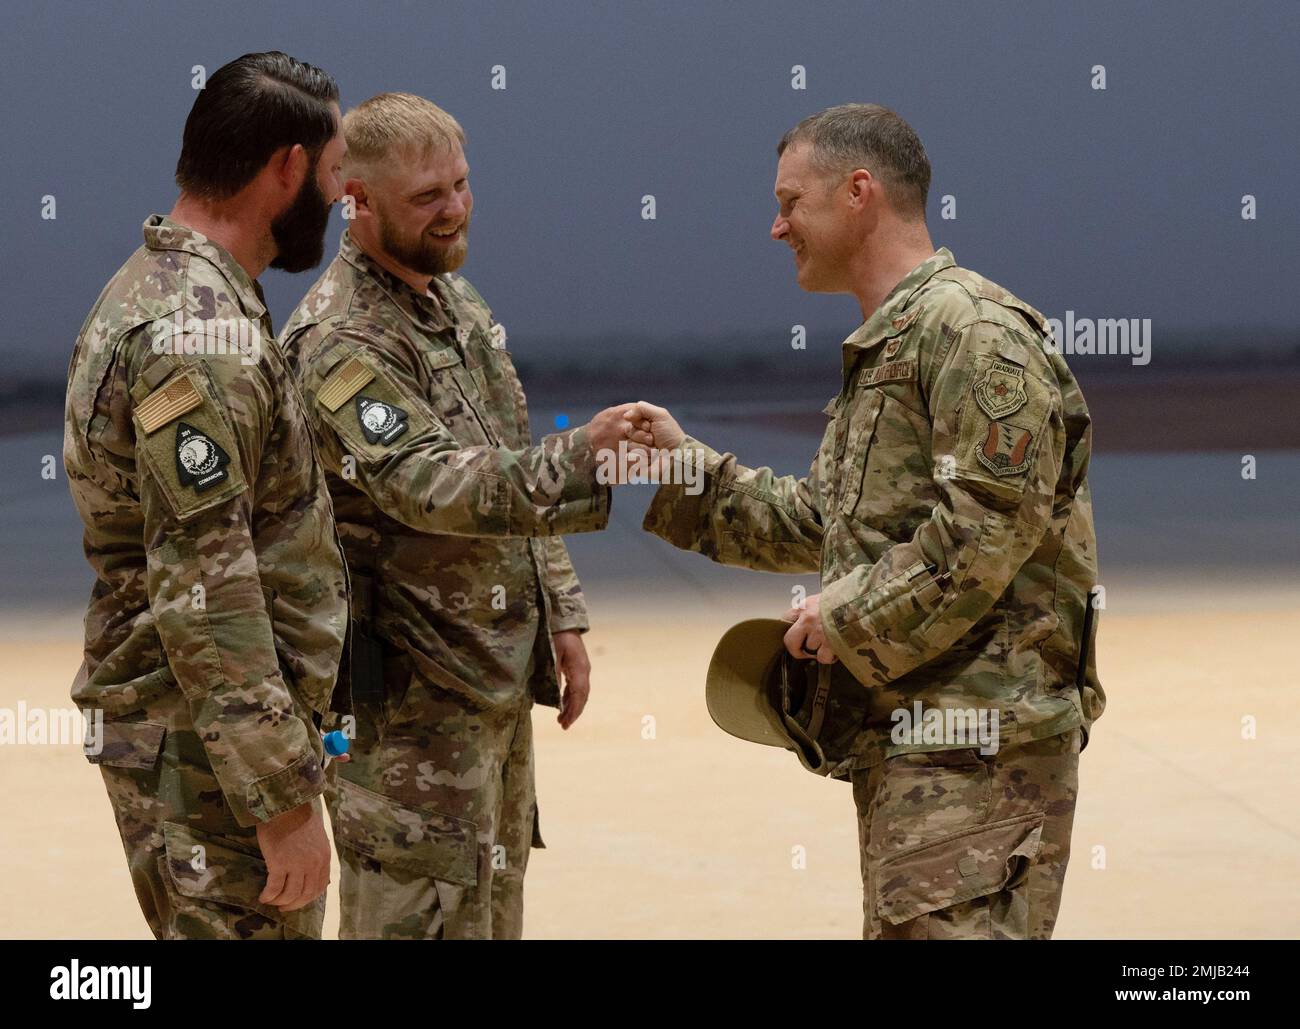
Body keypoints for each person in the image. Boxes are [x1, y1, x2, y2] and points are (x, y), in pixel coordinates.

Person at [636, 103, 1105, 940]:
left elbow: (986, 528)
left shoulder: (973, 334)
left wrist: (843, 616)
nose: (776, 227)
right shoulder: (893, 344)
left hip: (983, 753)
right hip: (924, 750)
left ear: (860, 192)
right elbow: (826, 521)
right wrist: (681, 466)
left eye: (791, 202)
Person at [281, 92, 651, 939]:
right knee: (417, 914)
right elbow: (433, 484)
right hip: (403, 709)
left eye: (461, 183)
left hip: (487, 680)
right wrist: (583, 453)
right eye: (427, 197)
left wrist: (559, 609)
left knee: (489, 909)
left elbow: (504, 443)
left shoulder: (455, 304)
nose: (454, 210)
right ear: (357, 200)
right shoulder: (343, 339)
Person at [63, 51, 351, 939]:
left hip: (205, 746)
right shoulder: (197, 332)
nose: (341, 201)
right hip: (206, 761)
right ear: (287, 168)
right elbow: (205, 585)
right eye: (335, 174)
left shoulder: (178, 294)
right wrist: (279, 799)